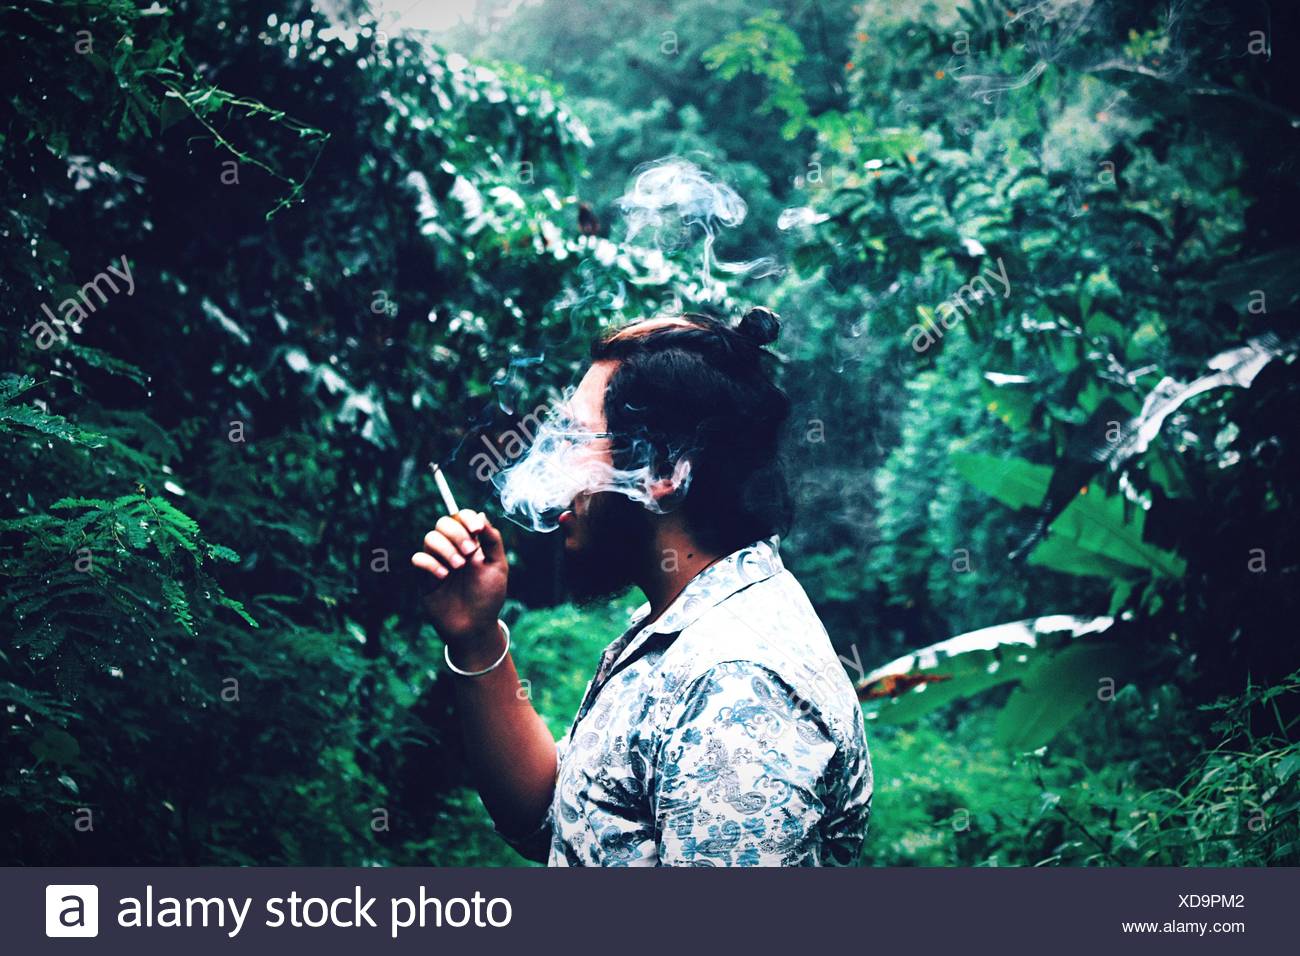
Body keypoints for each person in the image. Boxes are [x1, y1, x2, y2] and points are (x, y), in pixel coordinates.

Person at [411, 308, 873, 866]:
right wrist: (477, 639)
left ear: (665, 470)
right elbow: (555, 821)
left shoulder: (735, 687)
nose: (554, 471)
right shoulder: (684, 625)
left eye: (576, 440)